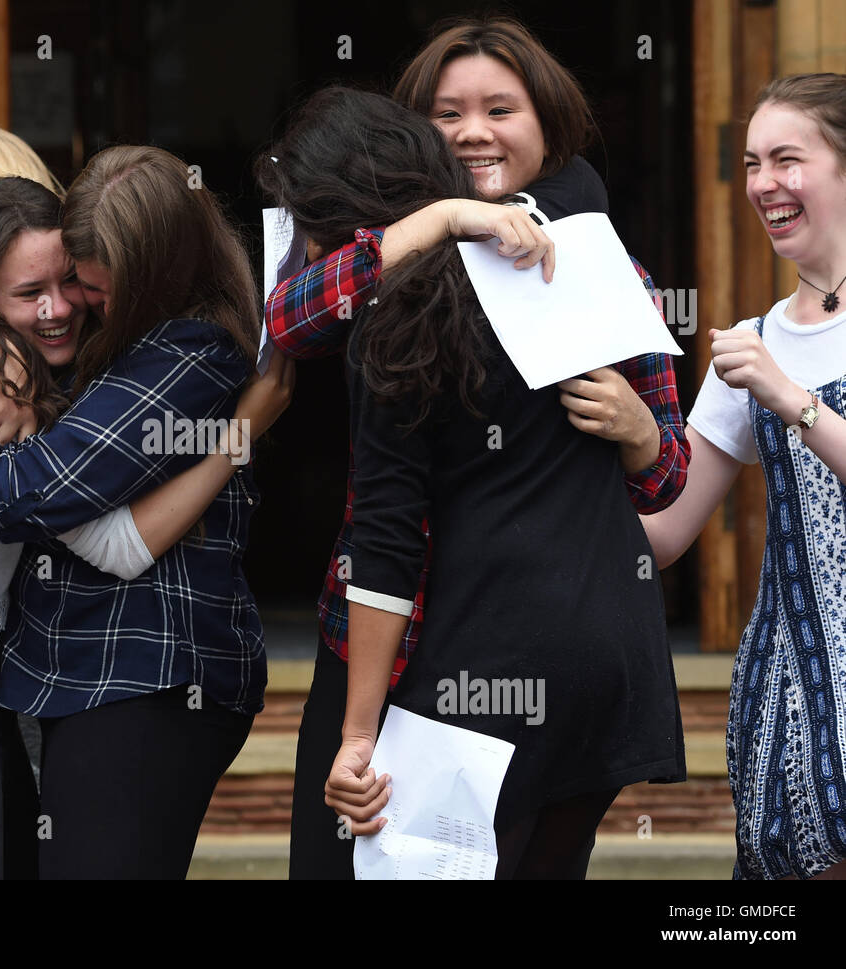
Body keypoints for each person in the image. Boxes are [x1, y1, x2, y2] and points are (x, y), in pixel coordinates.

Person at [273, 17, 691, 879]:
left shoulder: (608, 269)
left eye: (501, 108)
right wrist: (444, 218)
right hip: (387, 637)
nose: (473, 131)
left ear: (549, 125)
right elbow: (292, 318)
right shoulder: (394, 264)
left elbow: (667, 482)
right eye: (446, 112)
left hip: (518, 653)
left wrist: (643, 435)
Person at [0, 145, 274, 878]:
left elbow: (51, 508)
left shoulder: (144, 360)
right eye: (33, 290)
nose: (64, 305)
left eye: (75, 283)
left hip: (98, 678)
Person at [641, 73, 846, 880]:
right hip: (794, 687)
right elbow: (663, 534)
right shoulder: (755, 343)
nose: (764, 183)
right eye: (754, 162)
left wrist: (791, 398)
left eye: (787, 159)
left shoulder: (764, 367)